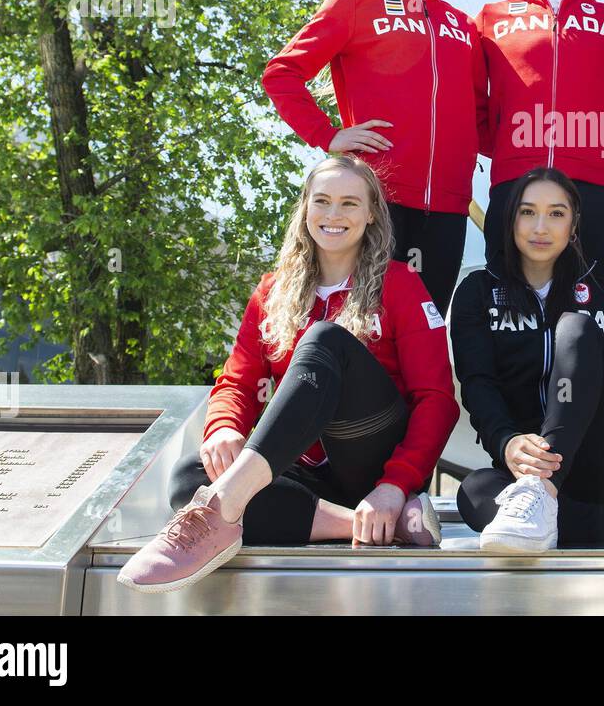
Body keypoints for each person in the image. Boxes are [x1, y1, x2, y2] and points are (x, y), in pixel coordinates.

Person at [118, 155, 460, 592]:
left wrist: (396, 484)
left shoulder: (400, 284)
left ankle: (229, 507)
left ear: (372, 213)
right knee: (189, 477)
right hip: (305, 474)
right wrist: (223, 429)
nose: (334, 215)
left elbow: (437, 400)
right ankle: (368, 527)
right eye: (323, 201)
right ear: (305, 209)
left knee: (324, 340)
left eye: (350, 204)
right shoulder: (272, 290)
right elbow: (238, 383)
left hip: (371, 459)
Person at [262, 0, 486, 317]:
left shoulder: (461, 23)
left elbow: (478, 111)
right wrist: (328, 136)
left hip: (448, 203)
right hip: (378, 196)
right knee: (370, 326)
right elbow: (282, 75)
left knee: (427, 325)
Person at [449, 166, 604, 551]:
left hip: (598, 462)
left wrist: (571, 418)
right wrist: (509, 442)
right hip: (522, 463)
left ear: (574, 224)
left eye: (556, 213)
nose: (540, 226)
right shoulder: (477, 293)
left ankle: (541, 493)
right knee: (475, 492)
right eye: (528, 212)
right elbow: (477, 384)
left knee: (576, 329)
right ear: (510, 220)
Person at [477, 0, 604, 292]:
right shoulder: (490, 18)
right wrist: (507, 144)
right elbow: (472, 99)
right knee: (508, 309)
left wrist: (591, 137)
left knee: (599, 309)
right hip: (514, 183)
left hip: (592, 187)